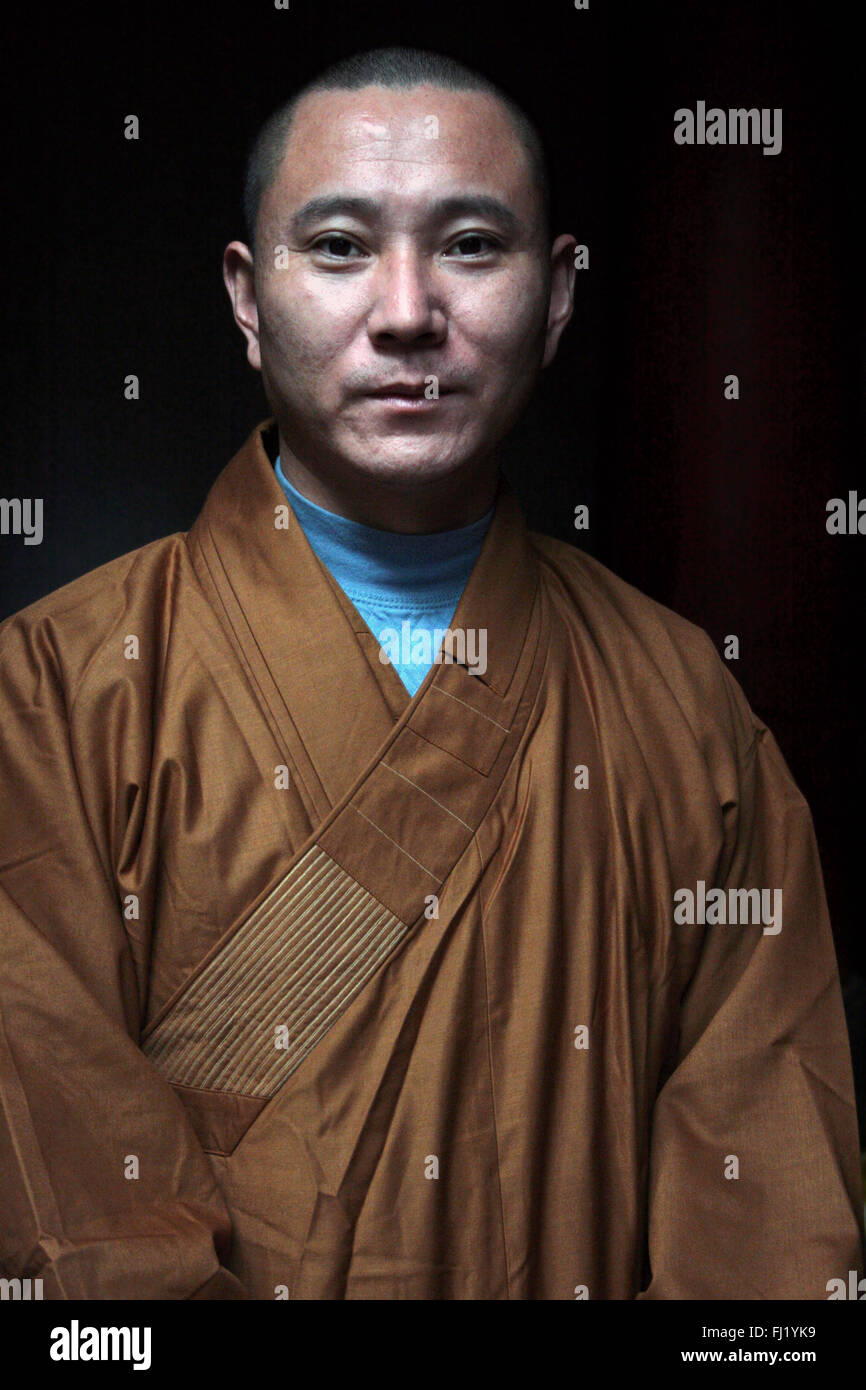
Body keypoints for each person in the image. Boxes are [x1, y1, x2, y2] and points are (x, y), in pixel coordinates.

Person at [0, 46, 862, 1301]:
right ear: (248, 297)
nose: (406, 309)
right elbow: (64, 1197)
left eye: (469, 244)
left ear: (557, 293)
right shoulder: (59, 693)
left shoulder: (684, 706)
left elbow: (766, 1198)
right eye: (340, 245)